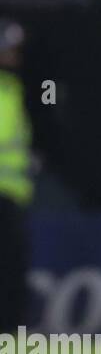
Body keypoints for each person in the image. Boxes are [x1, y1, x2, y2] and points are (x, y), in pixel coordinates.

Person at [0, 19, 31, 334]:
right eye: (9, 49)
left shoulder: (13, 87)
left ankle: (10, 331)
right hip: (4, 197)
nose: (14, 56)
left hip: (13, 196)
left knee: (12, 269)